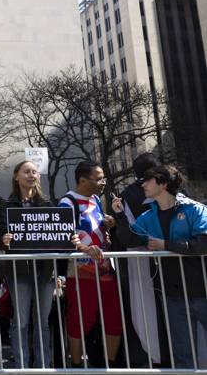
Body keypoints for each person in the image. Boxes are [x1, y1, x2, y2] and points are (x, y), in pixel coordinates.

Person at [112, 164, 207, 368]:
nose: (143, 184)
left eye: (148, 180)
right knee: (183, 354)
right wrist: (120, 216)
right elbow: (130, 239)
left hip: (203, 290)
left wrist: (167, 246)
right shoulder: (148, 216)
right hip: (174, 295)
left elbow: (204, 244)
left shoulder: (195, 209)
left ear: (163, 184)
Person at [59, 161, 121, 367]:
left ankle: (109, 365)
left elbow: (97, 226)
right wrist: (85, 249)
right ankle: (76, 366)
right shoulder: (67, 203)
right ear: (83, 180)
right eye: (99, 178)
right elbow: (65, 236)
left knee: (113, 316)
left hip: (105, 269)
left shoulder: (96, 199)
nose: (103, 182)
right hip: (80, 271)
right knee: (80, 319)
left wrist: (107, 223)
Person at [0, 160, 56, 368]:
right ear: (16, 176)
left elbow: (57, 235)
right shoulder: (5, 205)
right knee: (20, 322)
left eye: (35, 172)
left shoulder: (48, 205)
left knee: (43, 323)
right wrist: (2, 241)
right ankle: (21, 366)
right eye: (27, 171)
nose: (32, 175)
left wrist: (70, 239)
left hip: (45, 271)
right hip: (19, 272)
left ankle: (43, 366)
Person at [110, 152, 162, 366]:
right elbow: (130, 236)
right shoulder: (131, 195)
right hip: (144, 258)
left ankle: (156, 355)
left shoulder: (128, 194)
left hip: (143, 262)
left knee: (147, 311)